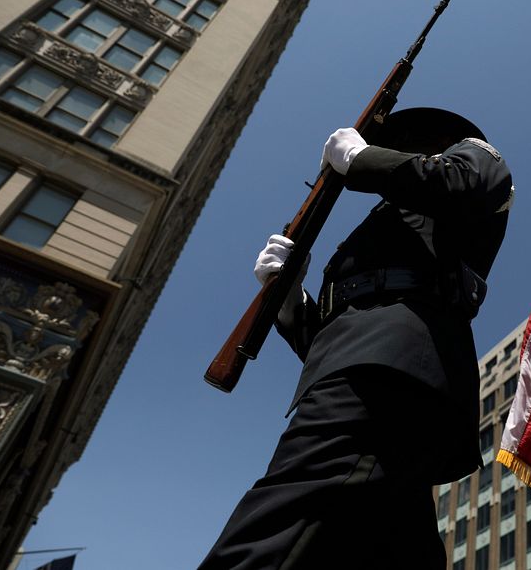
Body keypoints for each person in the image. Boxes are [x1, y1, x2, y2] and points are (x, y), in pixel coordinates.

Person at [200, 108, 514, 569]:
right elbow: (341, 328)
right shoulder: (395, 218)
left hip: (391, 369)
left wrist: (365, 161)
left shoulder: (470, 161)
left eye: (409, 139)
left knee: (286, 510)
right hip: (373, 367)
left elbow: (462, 182)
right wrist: (290, 302)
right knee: (389, 546)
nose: (400, 144)